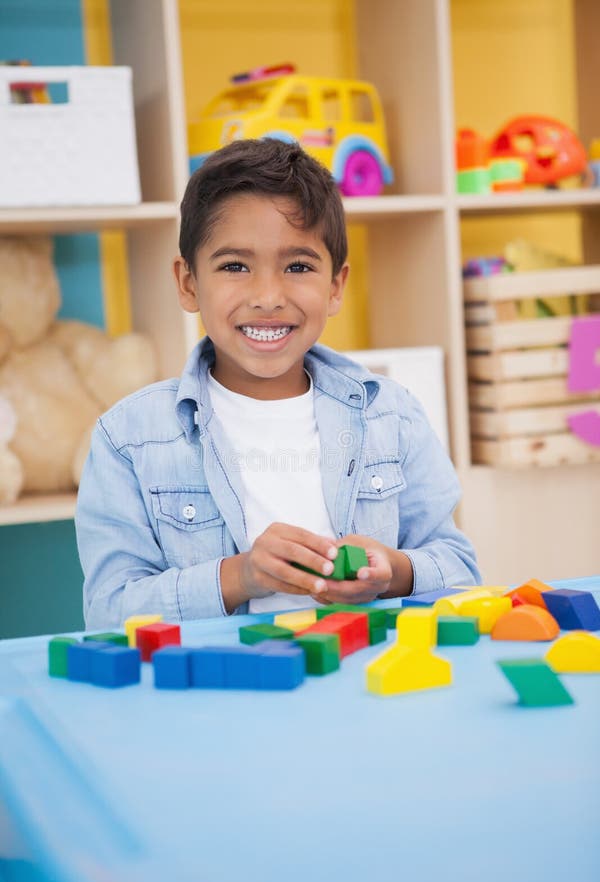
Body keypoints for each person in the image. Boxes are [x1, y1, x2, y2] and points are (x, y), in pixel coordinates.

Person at [76, 138, 480, 629]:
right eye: (235, 267)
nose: (268, 297)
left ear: (335, 286)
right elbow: (108, 611)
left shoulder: (390, 414)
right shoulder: (128, 438)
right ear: (188, 284)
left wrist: (394, 571)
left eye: (298, 267)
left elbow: (460, 567)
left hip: (368, 681)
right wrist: (241, 575)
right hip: (218, 695)